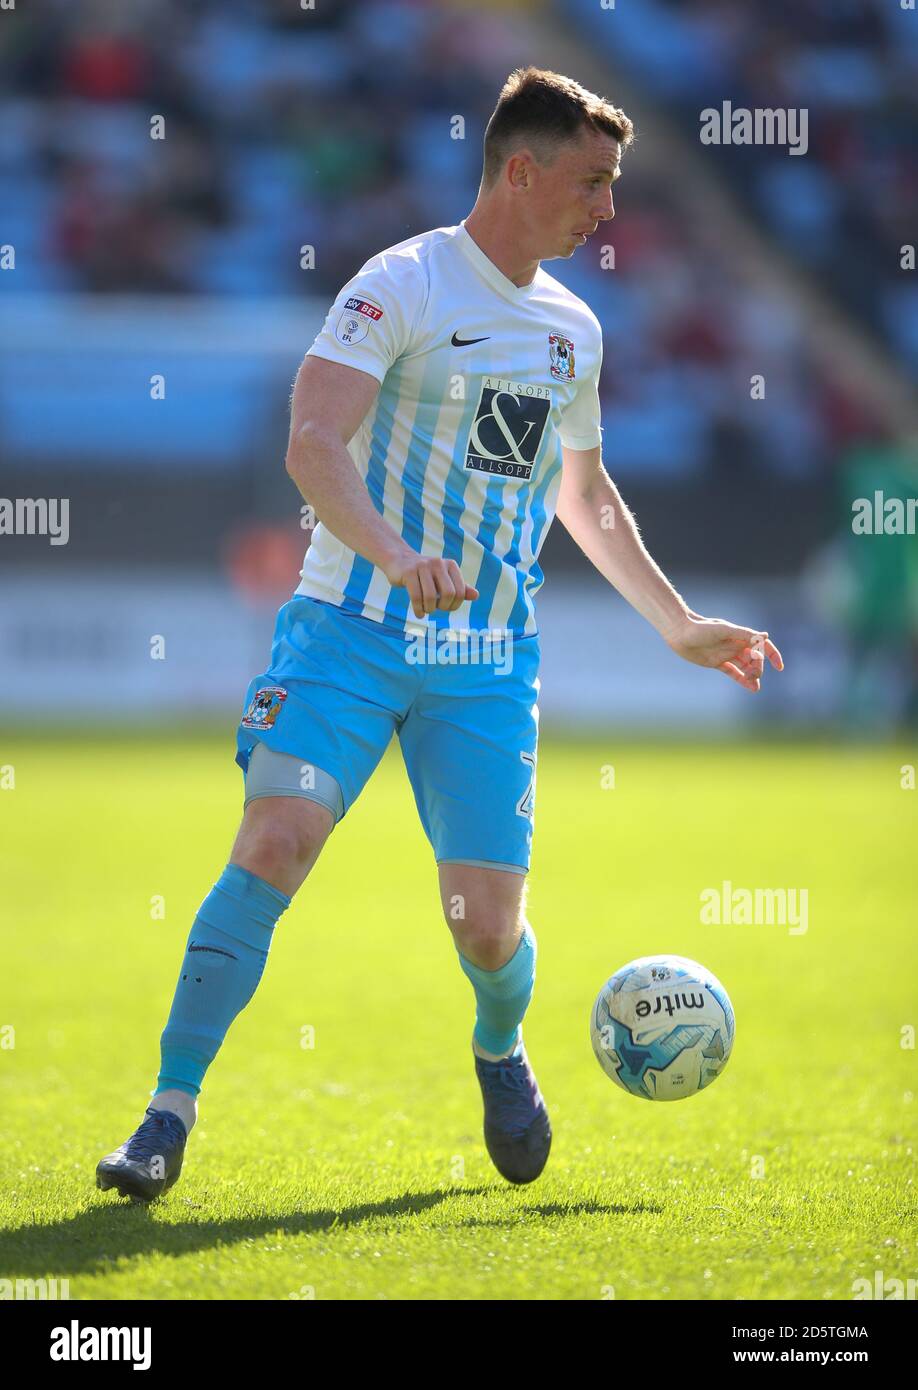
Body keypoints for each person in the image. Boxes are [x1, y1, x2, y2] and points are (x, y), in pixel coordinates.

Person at [97, 67, 782, 1201]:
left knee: (485, 933)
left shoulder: (573, 330)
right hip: (347, 630)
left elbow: (584, 492)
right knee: (274, 843)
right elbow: (313, 440)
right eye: (593, 182)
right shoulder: (400, 284)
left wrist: (677, 622)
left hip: (486, 663)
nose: (608, 209)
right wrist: (392, 554)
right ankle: (166, 1115)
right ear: (522, 170)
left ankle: (499, 1047)